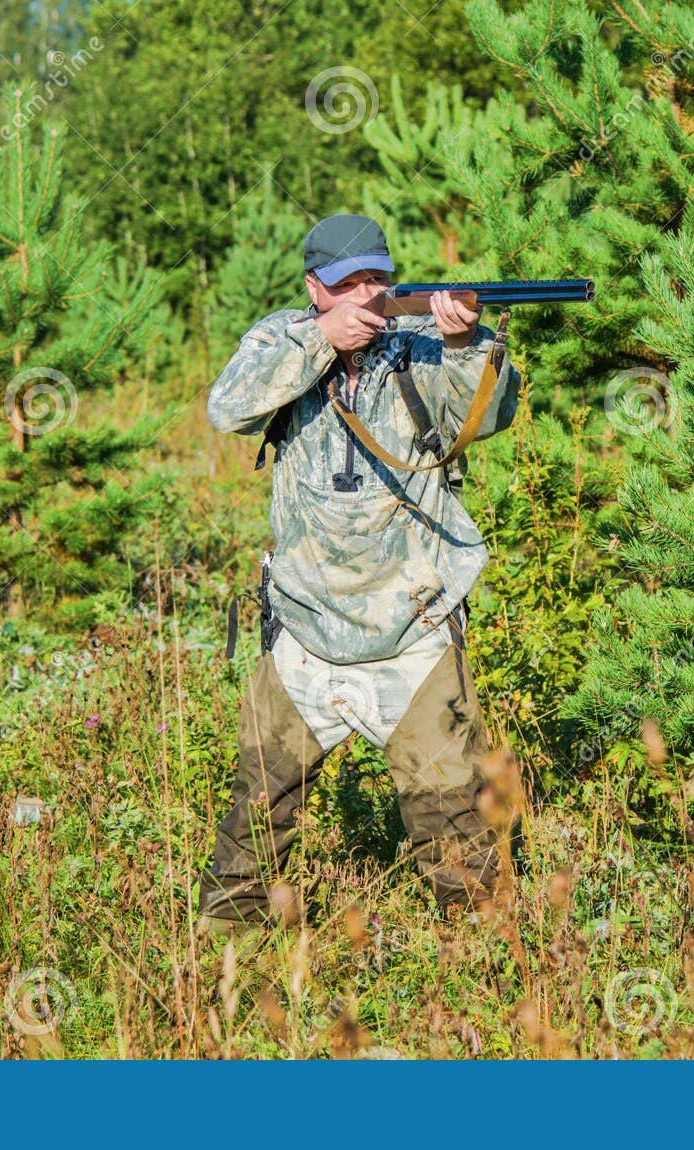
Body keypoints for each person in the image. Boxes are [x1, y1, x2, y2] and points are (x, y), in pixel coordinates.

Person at [197, 213, 522, 942]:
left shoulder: (423, 347)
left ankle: (482, 975)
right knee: (259, 809)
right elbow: (228, 407)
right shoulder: (283, 338)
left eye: (379, 278)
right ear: (316, 288)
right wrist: (321, 341)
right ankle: (229, 968)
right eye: (351, 284)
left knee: (455, 822)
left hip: (413, 629)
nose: (370, 294)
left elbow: (495, 411)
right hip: (307, 628)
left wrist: (467, 340)